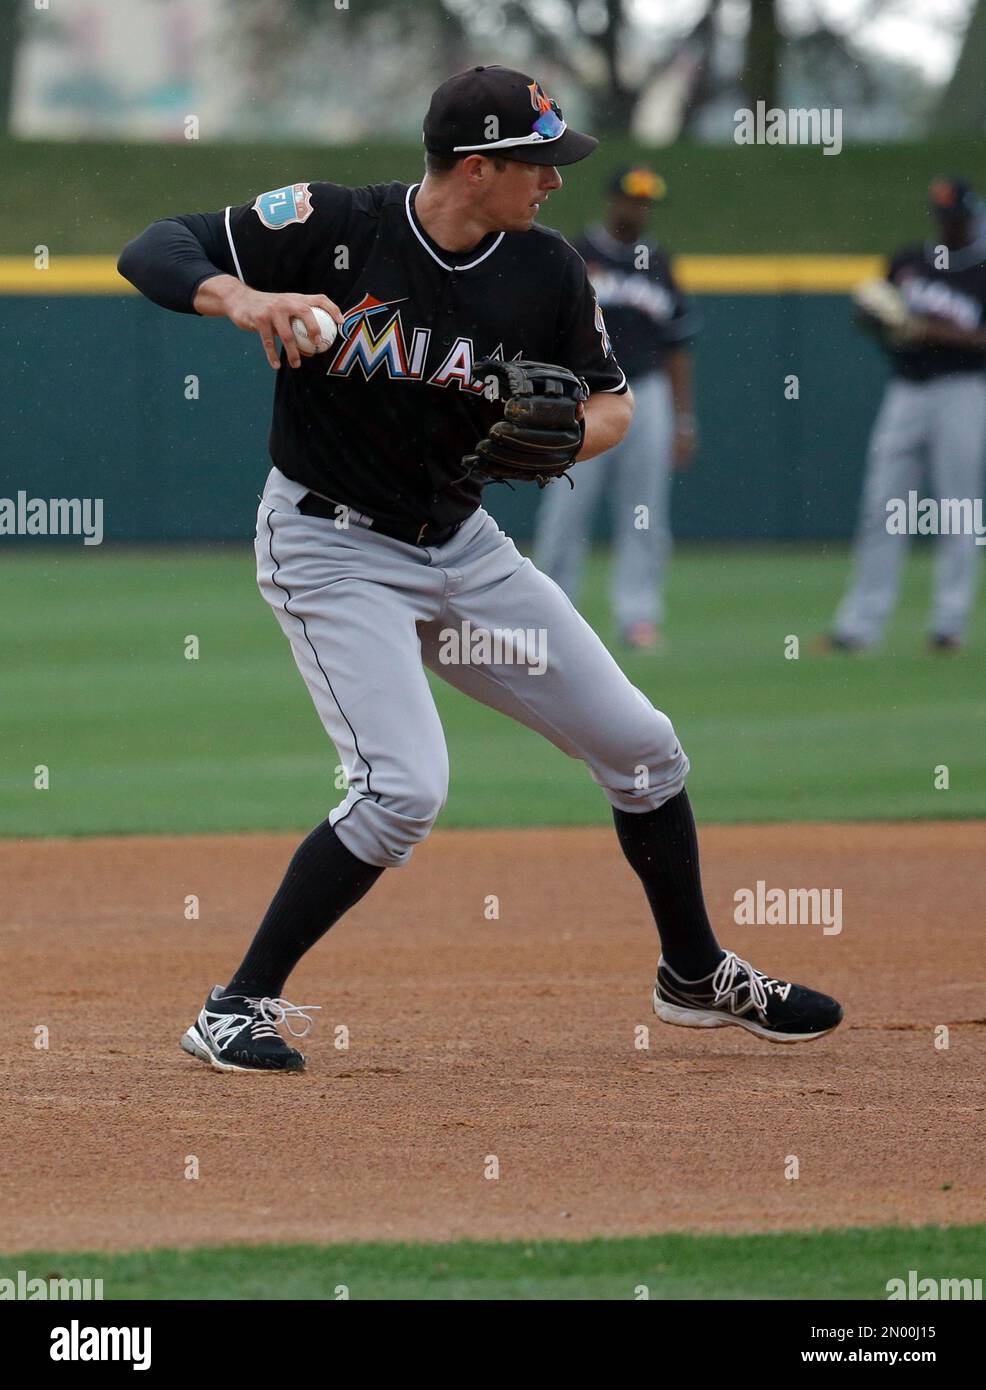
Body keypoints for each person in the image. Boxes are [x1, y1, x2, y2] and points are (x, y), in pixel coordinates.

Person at [118, 64, 841, 1072]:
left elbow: (612, 406)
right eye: (536, 163)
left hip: (460, 549)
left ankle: (690, 973)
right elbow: (151, 247)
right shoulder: (336, 225)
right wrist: (240, 297)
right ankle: (233, 1006)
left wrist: (561, 442)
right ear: (475, 166)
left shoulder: (546, 271)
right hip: (331, 546)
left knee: (643, 747)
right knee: (402, 787)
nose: (553, 182)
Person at [534, 165, 698, 650]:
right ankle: (551, 615)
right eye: (633, 200)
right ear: (612, 201)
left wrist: (684, 417)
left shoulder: (659, 262)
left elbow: (677, 345)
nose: (640, 210)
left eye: (647, 202)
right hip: (582, 396)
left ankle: (639, 616)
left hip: (646, 393)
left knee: (645, 511)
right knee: (566, 508)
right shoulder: (575, 254)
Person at [826, 177, 986, 653]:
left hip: (964, 390)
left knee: (959, 506)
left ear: (970, 217)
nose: (946, 223)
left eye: (954, 215)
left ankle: (949, 624)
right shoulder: (908, 260)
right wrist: (878, 318)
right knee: (883, 506)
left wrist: (933, 330)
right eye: (940, 214)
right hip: (906, 391)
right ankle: (860, 625)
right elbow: (877, 318)